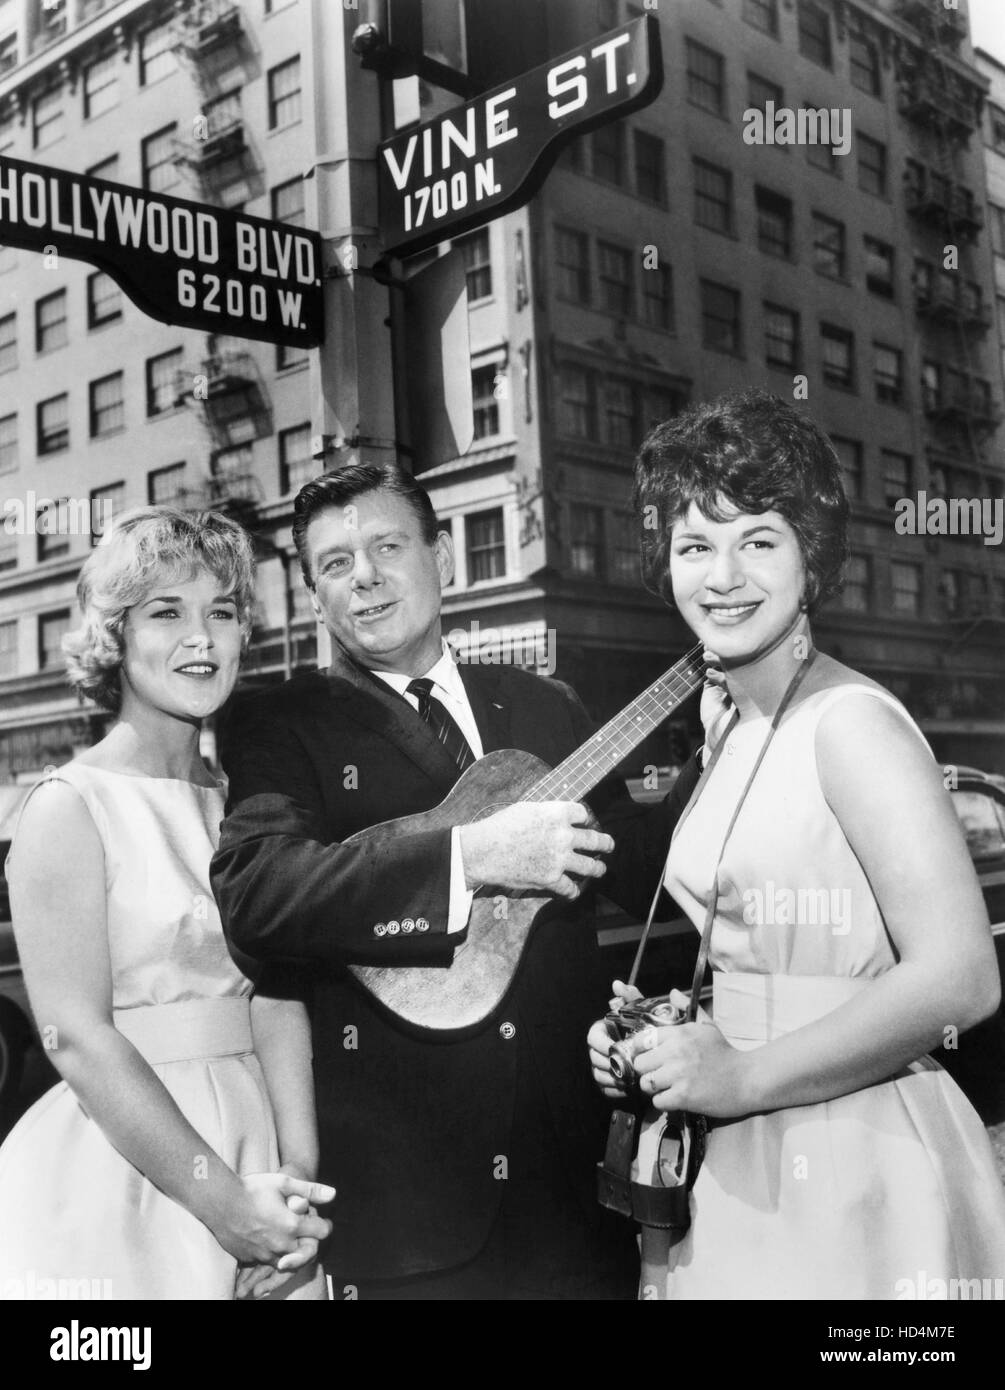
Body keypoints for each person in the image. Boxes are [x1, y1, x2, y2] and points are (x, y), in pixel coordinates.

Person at [210, 462, 695, 1300]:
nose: (362, 577)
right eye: (333, 564)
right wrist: (470, 858)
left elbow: (651, 866)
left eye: (387, 546)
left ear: (443, 557)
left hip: (574, 1182)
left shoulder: (547, 707)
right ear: (315, 597)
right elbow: (258, 896)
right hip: (408, 1206)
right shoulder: (280, 723)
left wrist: (725, 744)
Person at [589, 388, 1005, 1299]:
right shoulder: (733, 720)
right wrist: (663, 1038)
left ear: (810, 560)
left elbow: (961, 979)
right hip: (737, 1159)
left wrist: (738, 1077)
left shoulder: (850, 723)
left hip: (853, 1158)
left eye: (759, 541)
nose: (723, 575)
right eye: (695, 545)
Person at [0, 507, 333, 1301]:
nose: (201, 637)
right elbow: (75, 1036)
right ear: (115, 637)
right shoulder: (66, 806)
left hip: (261, 1157)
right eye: (166, 612)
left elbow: (276, 999)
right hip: (130, 1171)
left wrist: (294, 1189)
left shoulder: (249, 806)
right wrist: (226, 1207)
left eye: (221, 612)